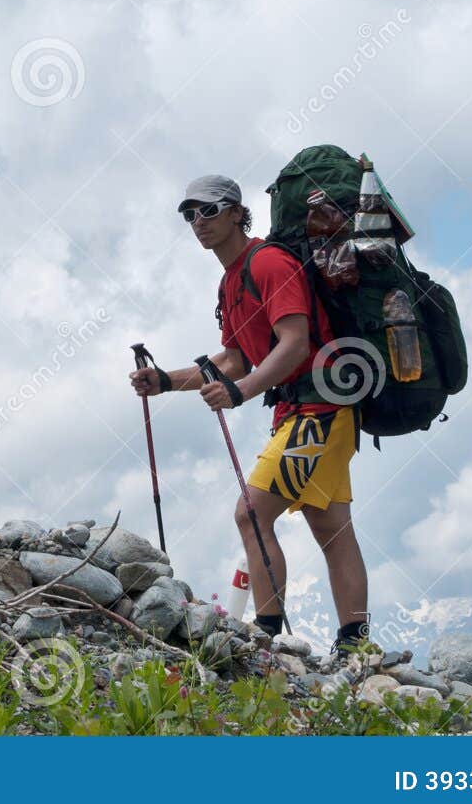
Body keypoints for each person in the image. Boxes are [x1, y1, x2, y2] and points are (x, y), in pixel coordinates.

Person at [129, 174, 370, 654]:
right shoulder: (230, 282)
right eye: (189, 214)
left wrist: (238, 393)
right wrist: (164, 382)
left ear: (238, 212)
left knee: (251, 514)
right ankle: (355, 646)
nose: (199, 222)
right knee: (330, 527)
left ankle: (264, 636)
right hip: (302, 410)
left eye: (209, 210)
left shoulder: (269, 264)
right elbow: (235, 358)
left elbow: (294, 342)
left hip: (321, 407)